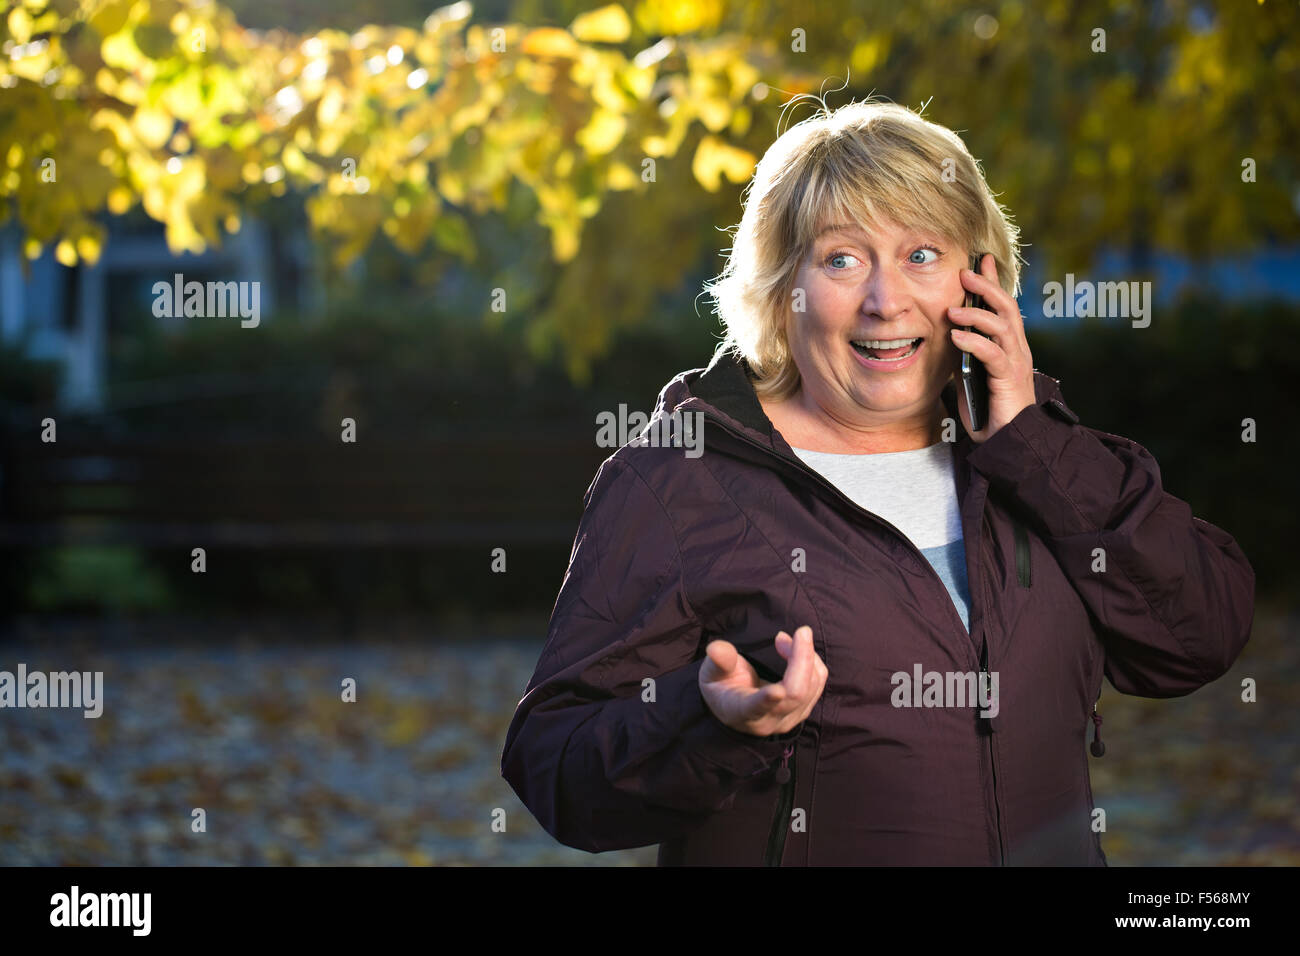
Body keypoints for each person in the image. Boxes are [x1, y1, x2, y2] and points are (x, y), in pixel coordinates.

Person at [499, 97, 1255, 865]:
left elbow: (1198, 636)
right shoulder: (677, 481)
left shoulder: (1036, 456)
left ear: (981, 278)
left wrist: (1037, 447)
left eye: (922, 254)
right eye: (841, 259)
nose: (885, 300)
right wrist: (705, 720)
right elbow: (557, 767)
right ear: (777, 287)